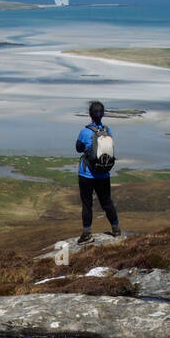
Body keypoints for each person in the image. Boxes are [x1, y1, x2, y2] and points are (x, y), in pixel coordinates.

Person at [75, 100, 121, 243]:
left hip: (86, 174)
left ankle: (87, 233)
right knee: (107, 202)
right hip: (104, 174)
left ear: (90, 114)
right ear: (103, 114)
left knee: (87, 204)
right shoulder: (108, 131)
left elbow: (78, 148)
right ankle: (116, 230)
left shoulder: (85, 131)